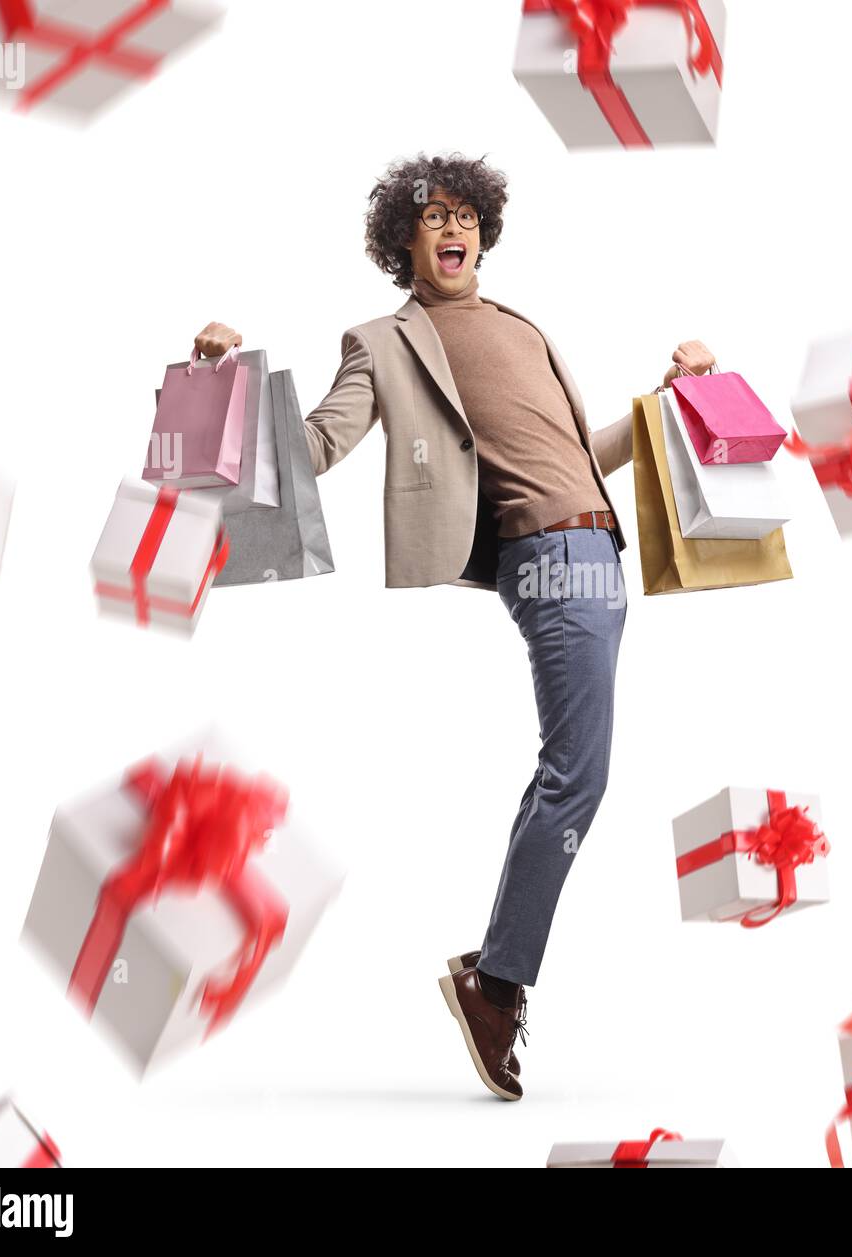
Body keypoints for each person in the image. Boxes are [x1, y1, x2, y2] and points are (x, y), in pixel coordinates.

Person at [195, 153, 714, 1101]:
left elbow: (577, 457)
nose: (451, 227)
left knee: (567, 773)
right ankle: (498, 982)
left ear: (483, 232)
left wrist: (664, 398)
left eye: (465, 213)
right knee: (579, 777)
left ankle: (497, 973)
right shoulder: (386, 341)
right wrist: (220, 383)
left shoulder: (522, 327)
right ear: (404, 242)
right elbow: (314, 445)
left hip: (599, 552)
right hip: (551, 562)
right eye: (430, 216)